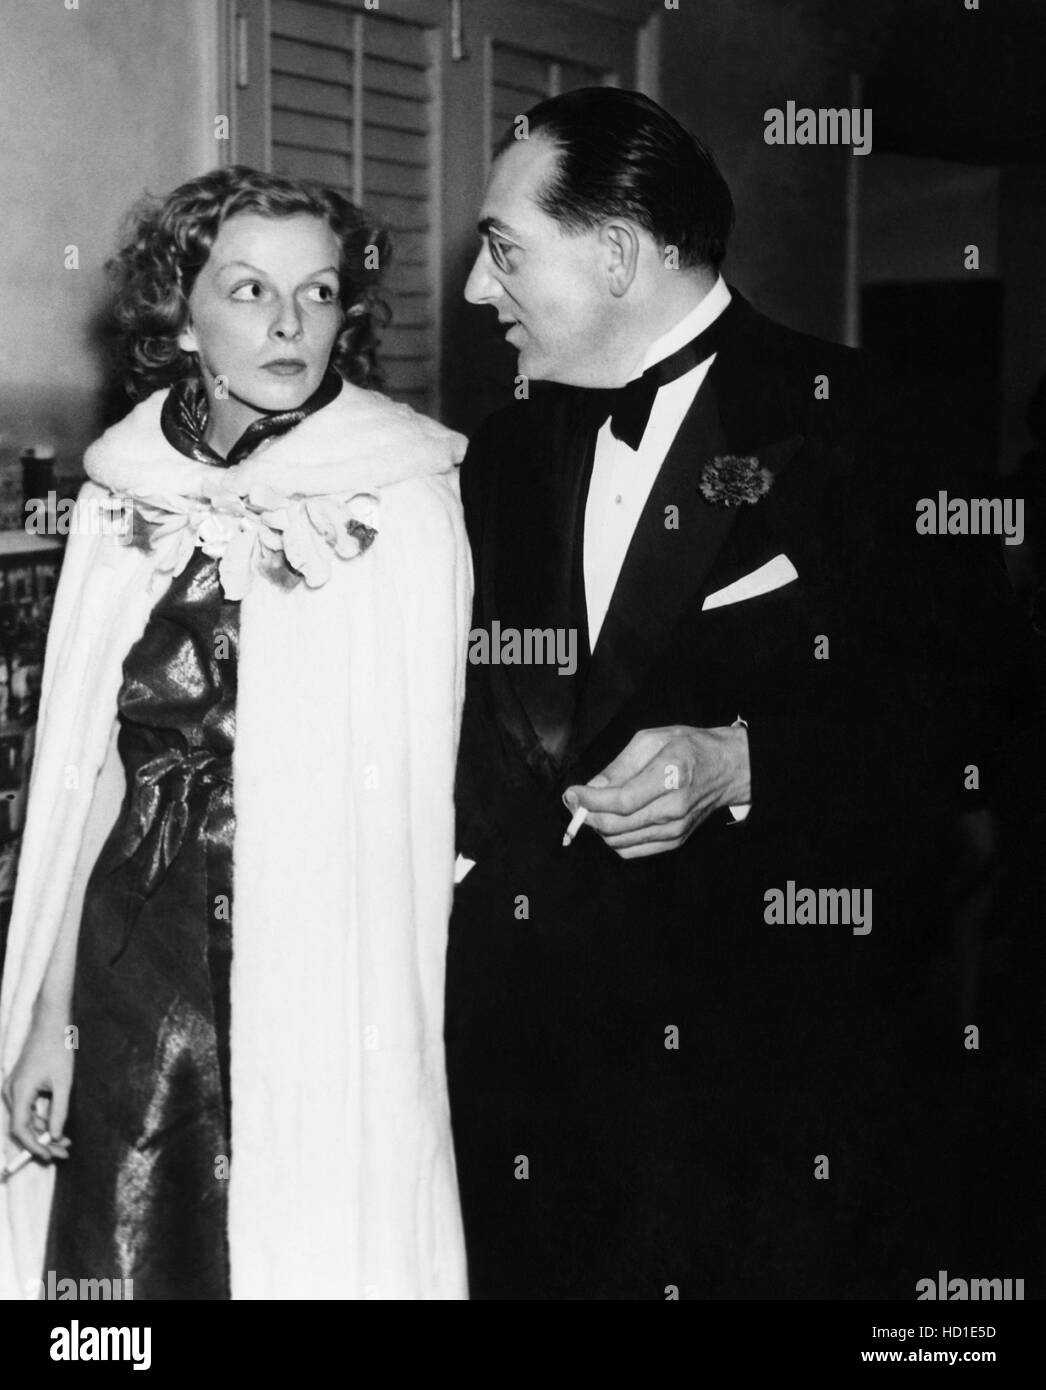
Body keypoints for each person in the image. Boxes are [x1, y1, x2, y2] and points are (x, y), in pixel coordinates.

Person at [445, 88, 1038, 1299]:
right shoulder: (501, 453)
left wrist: (745, 760)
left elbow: (980, 714)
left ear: (615, 254)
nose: (471, 290)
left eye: (503, 250)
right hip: (537, 1088)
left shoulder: (873, 423)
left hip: (768, 1086)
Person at [0, 166, 470, 1300]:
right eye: (250, 289)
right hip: (135, 943)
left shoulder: (398, 493)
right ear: (181, 314)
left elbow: (417, 798)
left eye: (319, 292)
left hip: (319, 955)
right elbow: (87, 779)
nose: (290, 323)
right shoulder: (125, 490)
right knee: (125, 1257)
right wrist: (50, 1019)